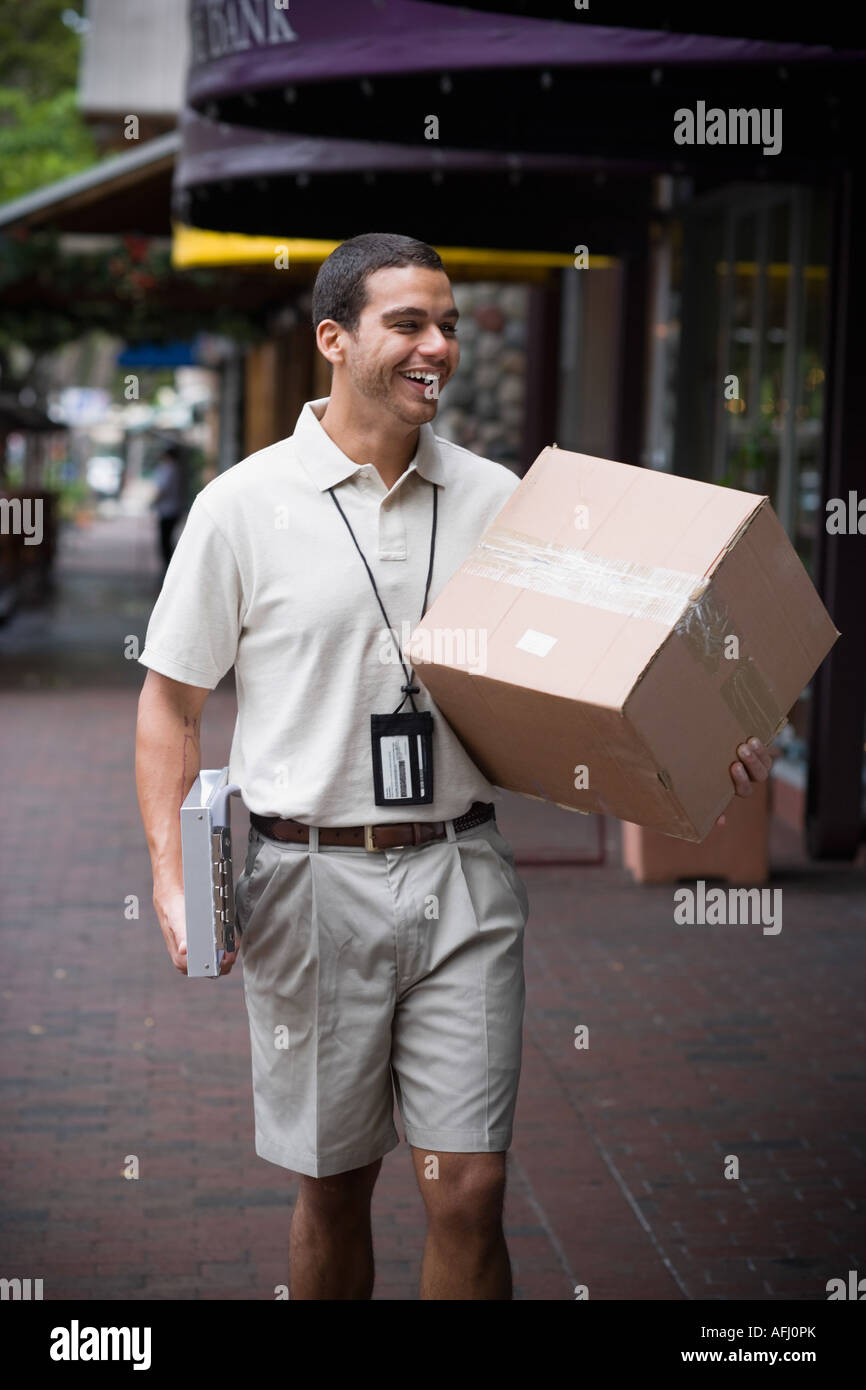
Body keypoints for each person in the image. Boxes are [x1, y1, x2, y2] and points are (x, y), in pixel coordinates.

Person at [134, 232, 773, 1301]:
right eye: (409, 323)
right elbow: (171, 703)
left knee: (468, 1185)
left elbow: (607, 651)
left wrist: (708, 721)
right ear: (334, 339)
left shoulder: (497, 497)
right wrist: (167, 869)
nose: (439, 346)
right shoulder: (239, 506)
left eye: (450, 325)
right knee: (333, 1187)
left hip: (461, 870)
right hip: (306, 881)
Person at [150, 443, 185, 573]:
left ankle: (168, 568)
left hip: (168, 510)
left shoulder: (169, 469)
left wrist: (153, 501)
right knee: (167, 540)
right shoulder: (176, 469)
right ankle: (168, 567)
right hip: (172, 508)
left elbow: (162, 489)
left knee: (165, 541)